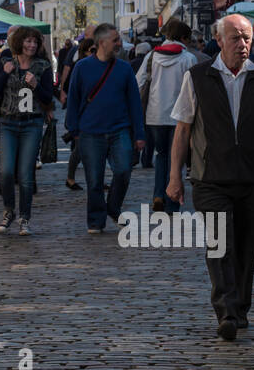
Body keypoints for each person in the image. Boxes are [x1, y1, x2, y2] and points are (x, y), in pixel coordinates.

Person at [167, 13, 254, 340]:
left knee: (246, 247)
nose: (243, 44)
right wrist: (174, 177)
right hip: (210, 178)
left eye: (247, 38)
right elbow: (182, 130)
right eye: (236, 38)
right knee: (220, 246)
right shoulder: (198, 77)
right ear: (219, 40)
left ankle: (241, 305)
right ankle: (227, 311)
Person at [65, 23, 146, 234]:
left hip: (120, 130)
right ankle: (95, 220)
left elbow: (134, 103)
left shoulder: (124, 68)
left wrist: (139, 134)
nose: (119, 43)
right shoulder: (82, 68)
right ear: (102, 43)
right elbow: (73, 99)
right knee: (94, 179)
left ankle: (113, 207)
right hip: (90, 132)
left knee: (123, 171)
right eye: (115, 40)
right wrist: (73, 129)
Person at [0, 28, 54, 234]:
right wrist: (3, 74)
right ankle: (9, 211)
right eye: (28, 41)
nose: (32, 45)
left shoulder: (43, 66)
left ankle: (24, 217)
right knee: (6, 172)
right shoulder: (7, 64)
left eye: (35, 42)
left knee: (25, 174)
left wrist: (36, 86)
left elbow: (48, 98)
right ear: (19, 43)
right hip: (8, 123)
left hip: (31, 124)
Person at [135, 19, 197, 212]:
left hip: (155, 115)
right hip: (180, 117)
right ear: (184, 38)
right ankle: (171, 202)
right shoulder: (188, 59)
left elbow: (138, 82)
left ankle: (158, 195)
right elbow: (194, 89)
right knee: (175, 159)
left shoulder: (152, 57)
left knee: (161, 155)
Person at [64, 36, 95, 189]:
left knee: (96, 151)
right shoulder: (79, 66)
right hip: (82, 114)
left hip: (97, 114)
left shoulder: (101, 65)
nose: (95, 53)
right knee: (79, 150)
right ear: (85, 51)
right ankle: (70, 178)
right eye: (92, 50)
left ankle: (96, 180)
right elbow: (71, 91)